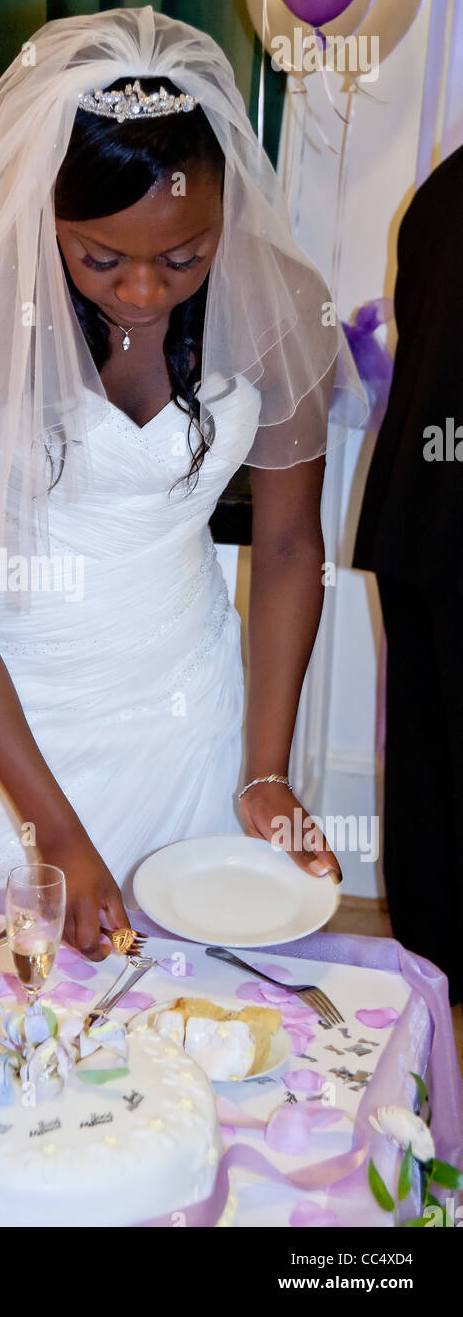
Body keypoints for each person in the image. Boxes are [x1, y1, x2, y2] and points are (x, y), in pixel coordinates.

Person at [0, 8, 367, 960]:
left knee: (188, 987)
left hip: (184, 692)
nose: (142, 293)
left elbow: (289, 545)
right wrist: (56, 830)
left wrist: (264, 771)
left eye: (182, 256)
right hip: (5, 709)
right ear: (44, 213)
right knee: (10, 998)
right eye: (101, 257)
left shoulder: (281, 304)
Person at [353, 145, 463, 1004]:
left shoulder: (444, 188)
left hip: (421, 516)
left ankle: (431, 1002)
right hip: (431, 514)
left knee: (430, 781)